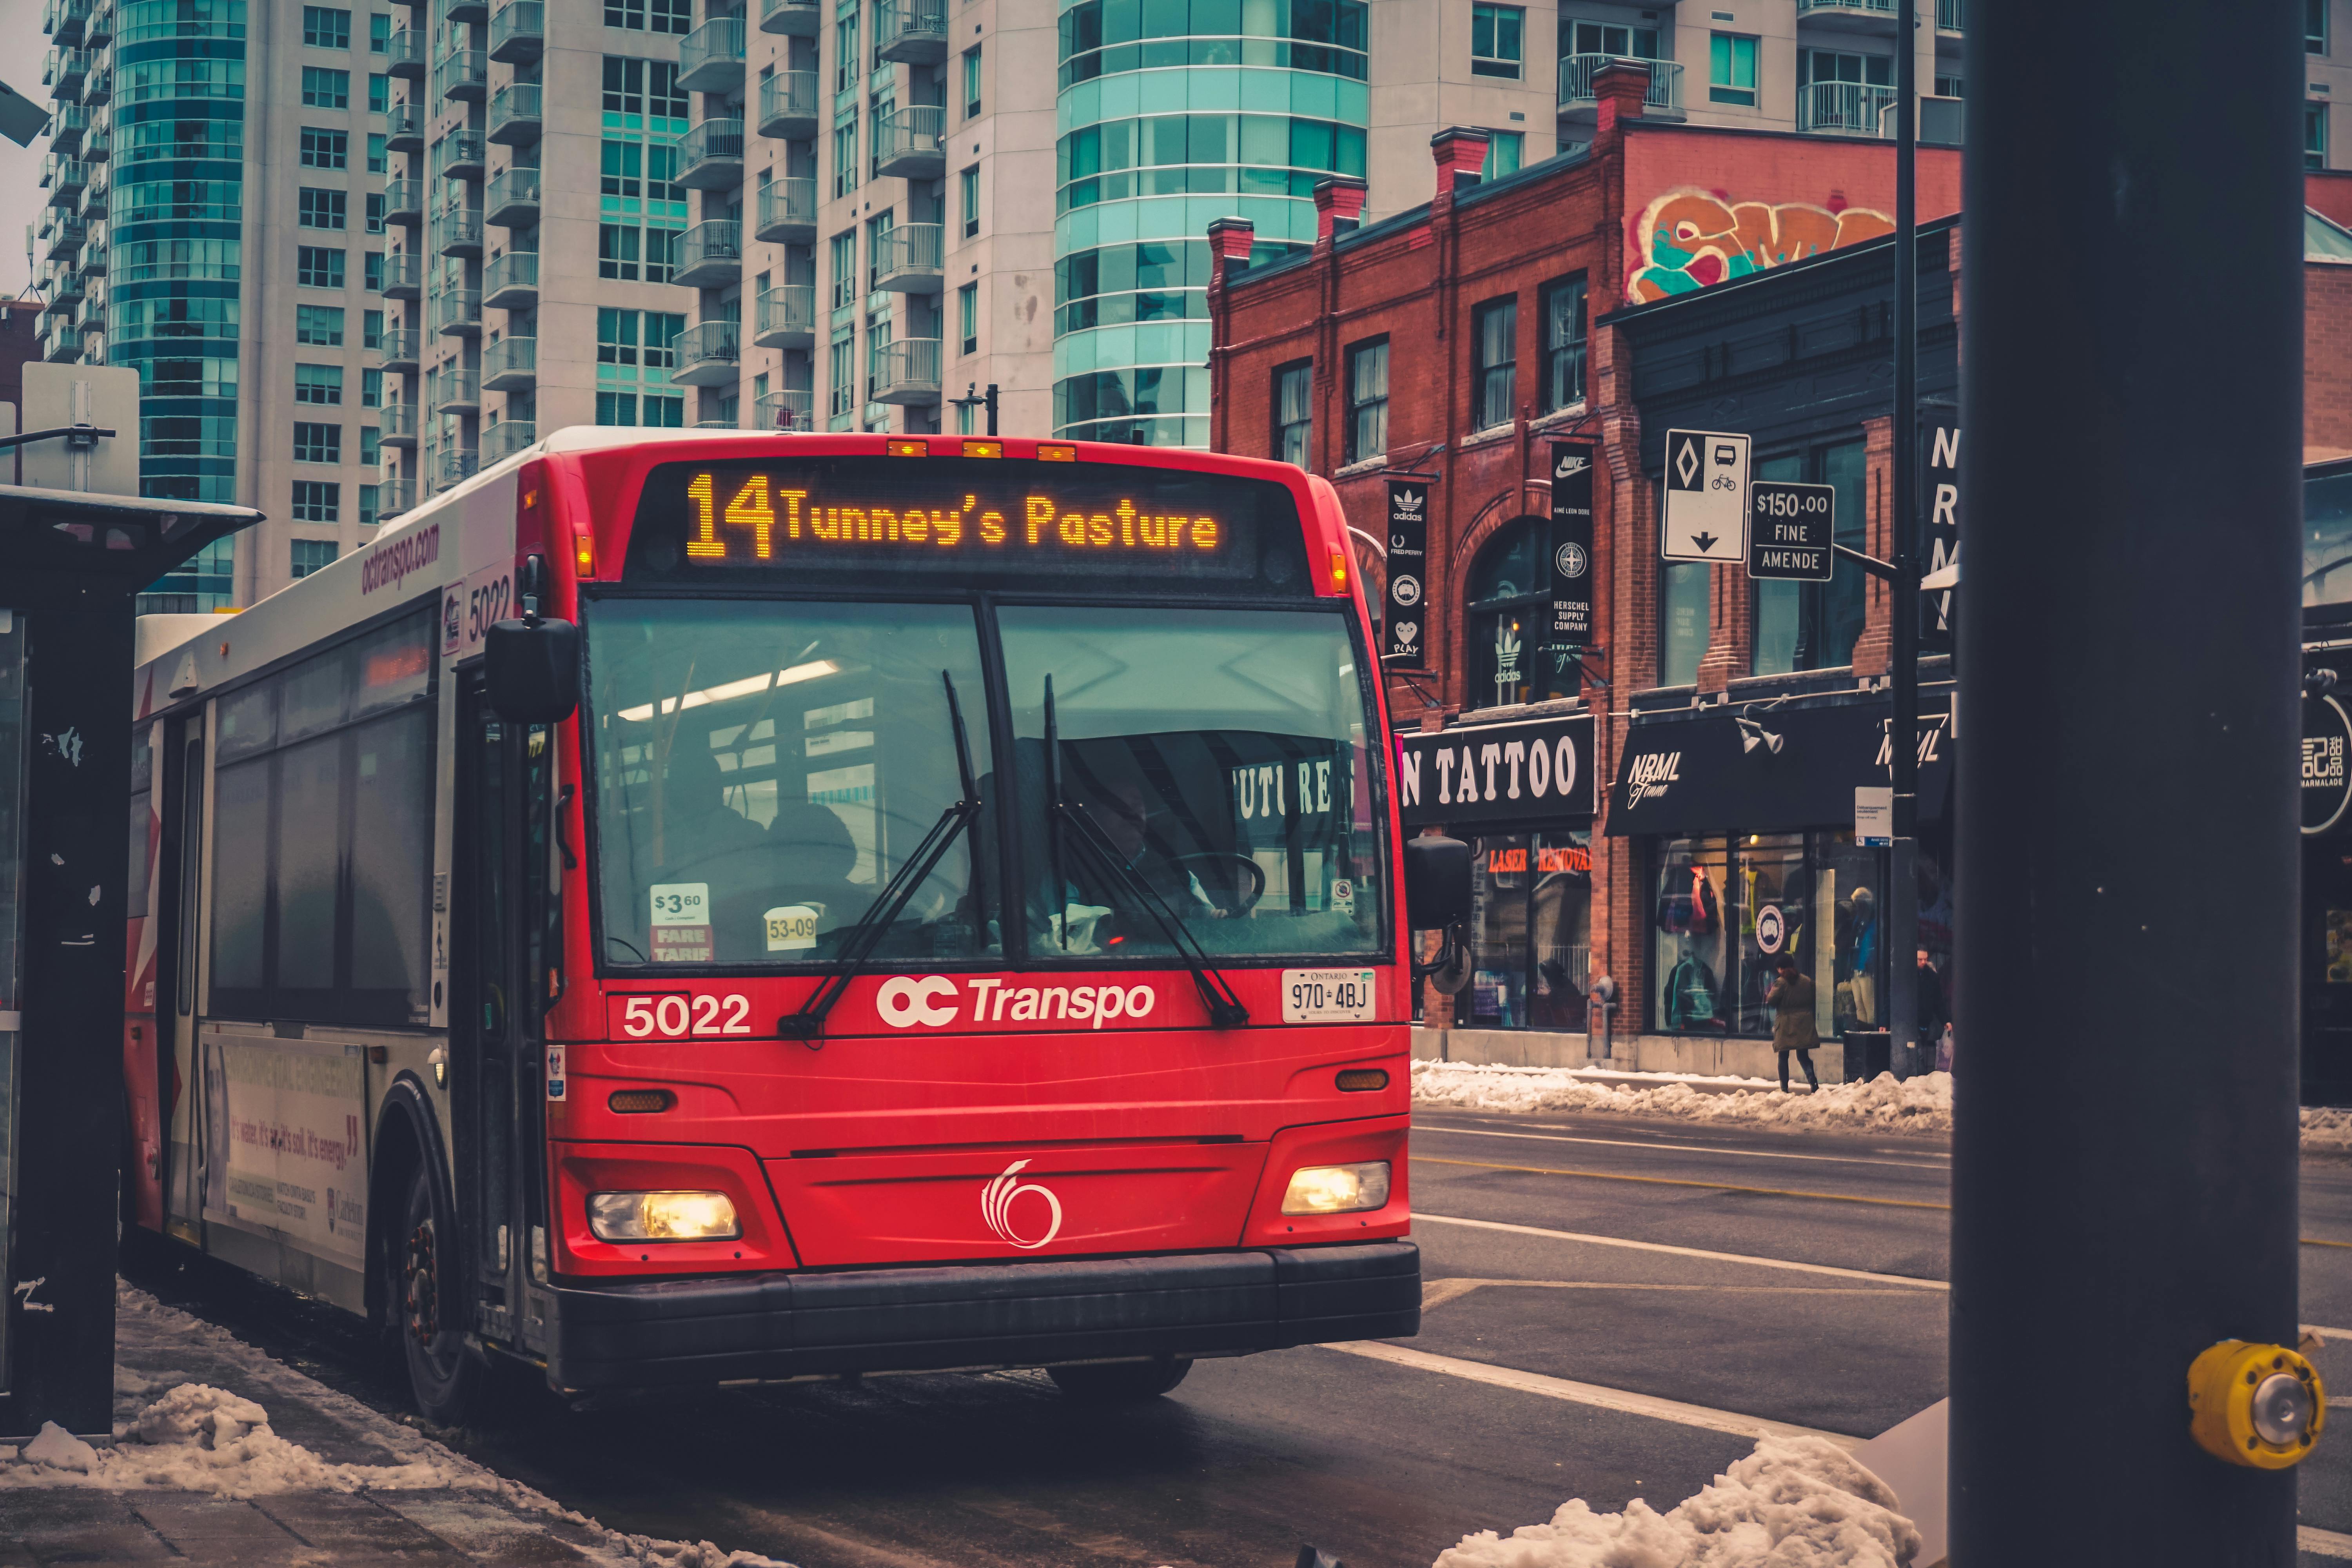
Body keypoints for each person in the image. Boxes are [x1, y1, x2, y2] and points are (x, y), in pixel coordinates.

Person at [1766, 956, 1819, 1093]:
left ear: (1780, 968)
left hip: (1786, 1023)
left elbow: (1771, 1001)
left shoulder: (1781, 983)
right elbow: (1813, 997)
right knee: (1803, 1056)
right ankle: (1813, 1082)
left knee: (1783, 1057)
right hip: (1804, 1023)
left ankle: (1784, 1088)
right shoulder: (1807, 981)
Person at [1916, 948, 1947, 1076]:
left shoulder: (1932, 977)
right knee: (1918, 1052)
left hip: (1925, 1019)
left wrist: (1946, 1020)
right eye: (1920, 959)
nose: (1924, 962)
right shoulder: (1906, 976)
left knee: (1924, 1050)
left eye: (1926, 959)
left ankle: (1922, 1074)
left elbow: (1938, 1001)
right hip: (1913, 1019)